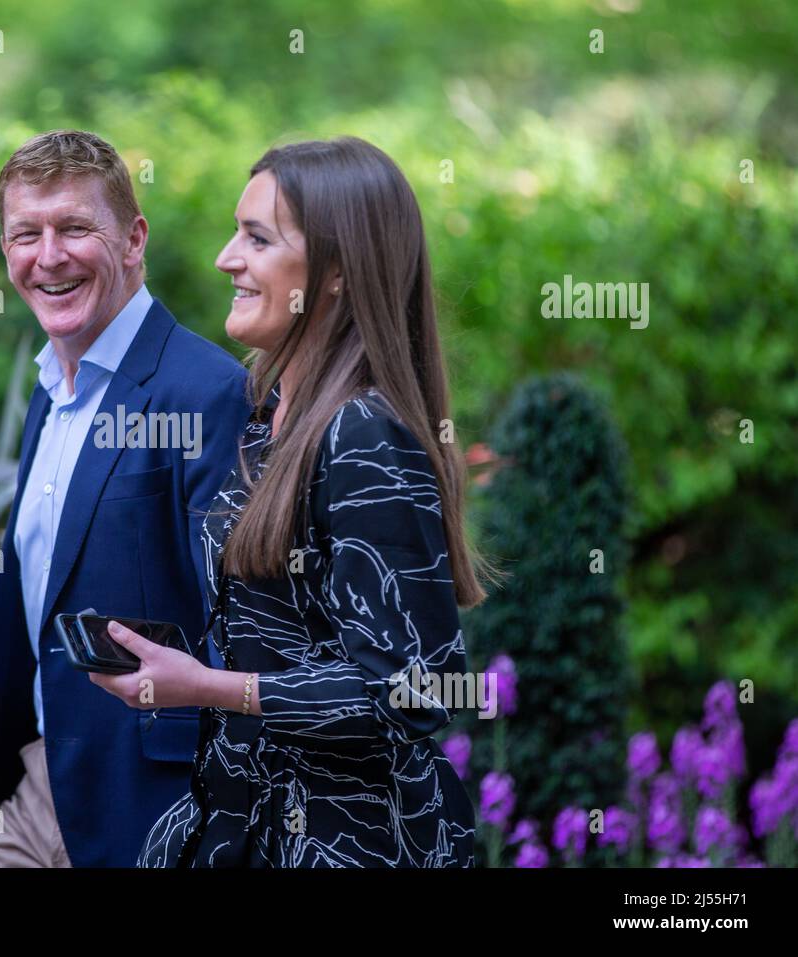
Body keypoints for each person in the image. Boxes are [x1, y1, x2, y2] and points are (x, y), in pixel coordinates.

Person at [90, 136, 487, 867]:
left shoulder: (365, 433)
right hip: (247, 822)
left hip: (348, 841)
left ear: (334, 273)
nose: (225, 257)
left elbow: (416, 690)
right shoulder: (262, 415)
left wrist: (206, 685)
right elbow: (287, 633)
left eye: (257, 238)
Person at [0, 129, 251, 867]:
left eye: (75, 228)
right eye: (27, 233)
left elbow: (248, 632)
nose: (48, 256)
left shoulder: (206, 391)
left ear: (132, 240)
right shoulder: (50, 389)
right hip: (36, 790)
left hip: (152, 811)